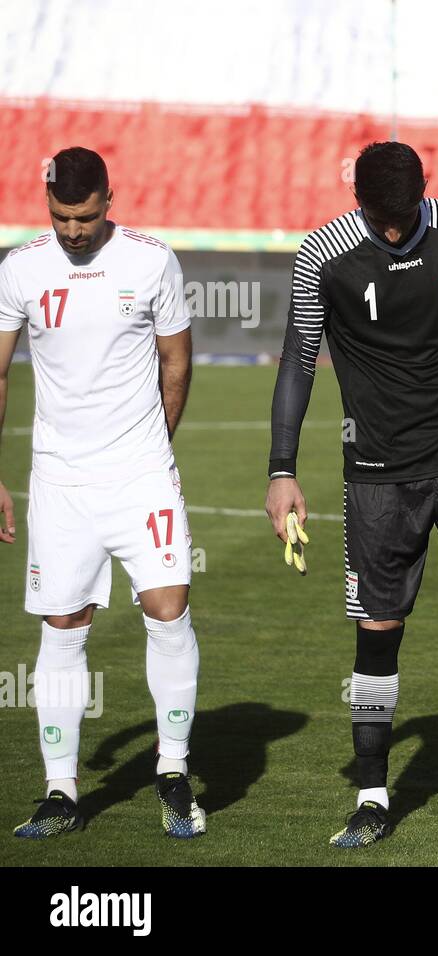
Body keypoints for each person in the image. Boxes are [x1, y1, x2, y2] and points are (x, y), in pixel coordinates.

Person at [264, 142, 438, 849]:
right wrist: (281, 470)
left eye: (404, 214)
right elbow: (298, 362)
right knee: (379, 629)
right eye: (378, 217)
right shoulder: (321, 256)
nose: (392, 231)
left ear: (428, 188)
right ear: (356, 198)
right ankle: (371, 797)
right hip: (378, 478)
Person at [0, 147, 204, 839]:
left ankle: (173, 771)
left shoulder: (152, 260)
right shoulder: (20, 268)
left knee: (169, 607)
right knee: (62, 628)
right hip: (59, 478)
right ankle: (61, 791)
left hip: (140, 471)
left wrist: (155, 445)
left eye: (85, 217)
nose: (74, 230)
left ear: (109, 200)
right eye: (61, 216)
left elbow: (176, 358)